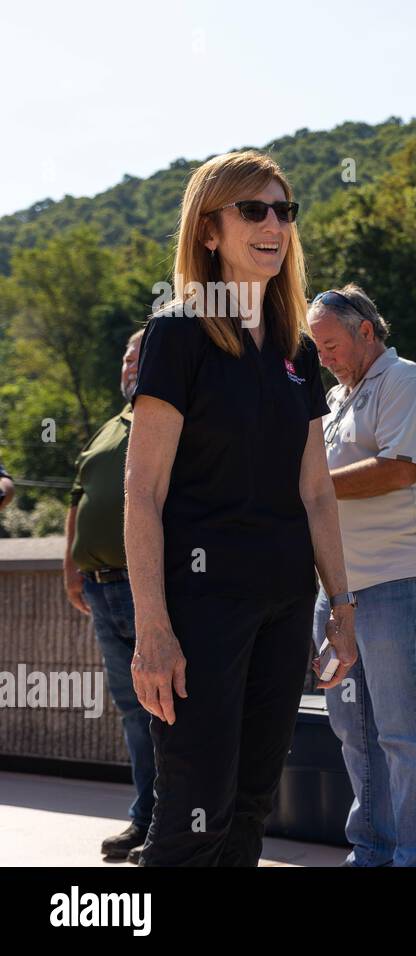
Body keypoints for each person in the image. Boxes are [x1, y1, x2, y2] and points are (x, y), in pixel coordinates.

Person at [125, 149, 358, 866]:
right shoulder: (178, 333)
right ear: (208, 230)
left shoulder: (294, 348)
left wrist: (342, 608)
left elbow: (316, 490)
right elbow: (143, 491)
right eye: (253, 209)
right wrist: (154, 629)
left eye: (284, 210)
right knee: (196, 812)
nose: (274, 224)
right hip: (201, 607)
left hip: (285, 603)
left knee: (254, 803)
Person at [306, 284, 416, 867]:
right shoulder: (337, 398)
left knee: (400, 730)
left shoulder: (407, 381)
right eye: (317, 348)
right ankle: (370, 853)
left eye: (332, 344)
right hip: (341, 589)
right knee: (352, 728)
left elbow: (398, 470)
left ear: (367, 331)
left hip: (399, 580)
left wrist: (312, 489)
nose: (324, 356)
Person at [63, 329, 156, 862]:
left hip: (145, 587)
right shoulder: (105, 431)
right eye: (124, 357)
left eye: (137, 357)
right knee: (132, 712)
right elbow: (79, 502)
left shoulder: (169, 424)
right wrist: (71, 571)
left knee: (164, 711)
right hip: (99, 591)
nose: (127, 366)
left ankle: (170, 822)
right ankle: (142, 819)